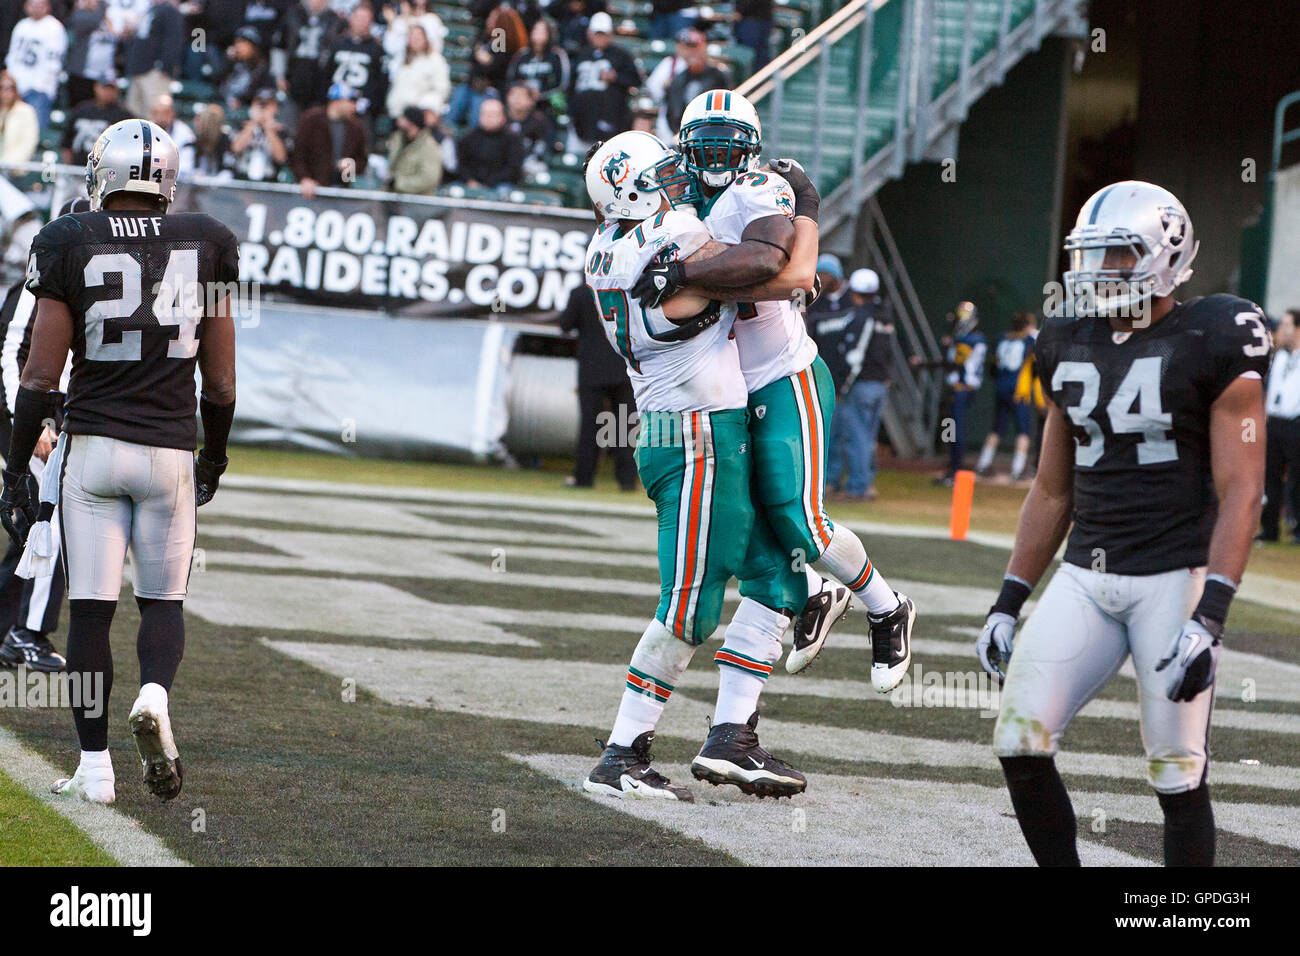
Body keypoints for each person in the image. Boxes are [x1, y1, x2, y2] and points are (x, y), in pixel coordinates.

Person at [976, 180, 1271, 867]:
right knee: (1019, 740)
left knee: (1176, 771)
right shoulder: (1066, 341)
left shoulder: (1216, 332)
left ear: (1165, 256)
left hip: (1175, 576)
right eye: (1092, 256)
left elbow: (1242, 490)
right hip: (1086, 575)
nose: (1100, 272)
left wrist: (1212, 614)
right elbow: (1053, 490)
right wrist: (1009, 599)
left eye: (1118, 255)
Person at [633, 90, 916, 689]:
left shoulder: (757, 190)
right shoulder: (673, 203)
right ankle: (813, 593)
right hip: (724, 395)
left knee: (799, 516)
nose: (712, 156)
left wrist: (685, 275)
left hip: (784, 376)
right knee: (753, 524)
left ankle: (887, 608)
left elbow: (773, 267)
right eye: (702, 144)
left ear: (750, 149)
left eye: (725, 144)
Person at [581, 131, 826, 802]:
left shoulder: (616, 241)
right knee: (690, 608)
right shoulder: (660, 242)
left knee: (779, 580)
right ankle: (621, 753)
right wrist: (803, 208)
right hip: (692, 438)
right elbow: (776, 266)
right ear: (633, 190)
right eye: (663, 172)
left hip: (701, 429)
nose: (679, 178)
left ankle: (734, 739)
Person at [2, 118, 238, 804]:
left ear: (100, 173)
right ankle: (156, 695)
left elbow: (40, 377)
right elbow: (220, 383)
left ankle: (96, 769)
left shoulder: (68, 239)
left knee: (92, 613)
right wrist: (213, 458)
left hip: (95, 450)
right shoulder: (211, 242)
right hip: (168, 449)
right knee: (163, 601)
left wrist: (18, 465)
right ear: (167, 178)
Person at [557, 281, 635, 491]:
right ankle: (627, 481)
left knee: (590, 426)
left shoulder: (581, 293)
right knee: (625, 427)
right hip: (624, 367)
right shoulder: (626, 290)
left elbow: (565, 325)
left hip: (592, 369)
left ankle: (584, 477)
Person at [827, 268, 894, 502]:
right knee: (867, 436)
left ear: (855, 292)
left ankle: (857, 487)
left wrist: (841, 387)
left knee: (855, 437)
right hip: (879, 385)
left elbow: (855, 356)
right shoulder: (884, 316)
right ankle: (866, 481)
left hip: (862, 385)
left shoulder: (863, 317)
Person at [913, 300, 985, 484]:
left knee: (955, 430)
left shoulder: (970, 340)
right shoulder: (967, 339)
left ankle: (956, 470)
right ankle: (952, 467)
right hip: (959, 389)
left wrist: (926, 362)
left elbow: (953, 364)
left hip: (962, 389)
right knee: (951, 428)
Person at [566, 11, 641, 152]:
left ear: (611, 34)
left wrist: (616, 77)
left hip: (612, 119)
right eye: (597, 33)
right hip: (581, 119)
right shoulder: (580, 55)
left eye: (603, 34)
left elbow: (636, 80)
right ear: (589, 33)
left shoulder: (621, 55)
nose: (600, 38)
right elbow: (570, 87)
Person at [977, 310, 1038, 481]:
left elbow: (993, 366)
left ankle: (983, 464)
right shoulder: (1029, 341)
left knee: (996, 428)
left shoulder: (1002, 338)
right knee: (1023, 431)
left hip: (1001, 386)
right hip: (1019, 391)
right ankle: (1017, 470)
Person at [1260, 308, 1300, 543]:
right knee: (1269, 477)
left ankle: (1297, 529)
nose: (1281, 331)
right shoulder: (1278, 356)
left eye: (1286, 326)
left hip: (1295, 425)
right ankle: (1269, 529)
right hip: (1274, 424)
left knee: (1296, 479)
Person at [291, 82, 368, 197]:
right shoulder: (311, 120)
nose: (354, 107)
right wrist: (304, 178)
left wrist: (350, 167)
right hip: (311, 191)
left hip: (342, 192)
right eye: (351, 101)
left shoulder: (356, 127)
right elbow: (297, 154)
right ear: (337, 101)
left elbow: (362, 161)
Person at [325, 2, 388, 140]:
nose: (363, 23)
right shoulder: (337, 44)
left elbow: (381, 84)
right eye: (359, 18)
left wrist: (363, 105)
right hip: (334, 106)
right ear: (351, 19)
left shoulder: (377, 49)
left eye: (367, 19)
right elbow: (325, 75)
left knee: (357, 153)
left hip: (361, 110)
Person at [4, 0, 67, 130]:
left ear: (47, 7)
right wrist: (12, 83)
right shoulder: (22, 25)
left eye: (40, 6)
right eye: (33, 5)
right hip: (16, 88)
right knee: (11, 128)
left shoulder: (54, 27)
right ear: (26, 7)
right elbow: (12, 56)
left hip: (39, 90)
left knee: (34, 129)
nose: (36, 9)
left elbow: (54, 63)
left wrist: (39, 86)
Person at [282, 0, 346, 126]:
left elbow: (337, 52)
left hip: (321, 80)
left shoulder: (335, 20)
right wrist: (279, 75)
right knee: (291, 125)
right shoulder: (293, 14)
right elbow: (280, 46)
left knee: (315, 126)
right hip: (295, 77)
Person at [123, 0, 185, 119]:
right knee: (132, 116)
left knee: (156, 115)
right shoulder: (150, 10)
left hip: (154, 71)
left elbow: (174, 40)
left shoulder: (169, 10)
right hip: (138, 69)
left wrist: (165, 67)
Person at [663, 28, 731, 136]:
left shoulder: (719, 75)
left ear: (704, 48)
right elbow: (672, 113)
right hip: (685, 137)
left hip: (716, 134)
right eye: (688, 48)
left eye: (696, 47)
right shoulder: (678, 79)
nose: (692, 53)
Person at [455, 96, 523, 190]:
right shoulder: (468, 138)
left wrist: (490, 183)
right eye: (485, 114)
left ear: (503, 117)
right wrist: (470, 181)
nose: (488, 117)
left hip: (500, 184)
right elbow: (461, 165)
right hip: (471, 183)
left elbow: (513, 168)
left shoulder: (513, 140)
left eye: (493, 114)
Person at [61, 76, 132, 166]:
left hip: (104, 172)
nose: (108, 92)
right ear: (96, 88)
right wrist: (68, 166)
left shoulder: (124, 116)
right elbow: (66, 142)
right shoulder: (82, 110)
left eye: (111, 89)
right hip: (76, 168)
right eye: (105, 88)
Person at [385, 23, 449, 120]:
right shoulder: (402, 60)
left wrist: (423, 109)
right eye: (411, 36)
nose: (415, 40)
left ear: (425, 38)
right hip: (397, 115)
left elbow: (441, 90)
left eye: (418, 36)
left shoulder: (435, 60)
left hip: (420, 116)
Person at [64, 0, 119, 109]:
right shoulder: (81, 14)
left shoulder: (112, 18)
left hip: (105, 75)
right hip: (82, 75)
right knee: (80, 109)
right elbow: (92, 21)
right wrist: (103, 5)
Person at [229, 87, 289, 182]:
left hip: (269, 183)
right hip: (242, 179)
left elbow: (281, 158)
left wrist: (269, 129)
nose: (263, 108)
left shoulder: (281, 131)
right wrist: (253, 123)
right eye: (259, 104)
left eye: (268, 105)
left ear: (275, 108)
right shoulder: (241, 126)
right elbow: (236, 148)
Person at [506, 16, 569, 98]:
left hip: (548, 102)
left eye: (542, 32)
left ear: (549, 34)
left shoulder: (557, 55)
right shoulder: (521, 55)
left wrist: (540, 95)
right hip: (522, 100)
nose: (538, 36)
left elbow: (563, 85)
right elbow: (511, 81)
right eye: (536, 30)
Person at [384, 105, 441, 195]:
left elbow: (429, 179)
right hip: (392, 197)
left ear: (411, 122)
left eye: (403, 118)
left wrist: (399, 184)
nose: (399, 120)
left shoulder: (429, 147)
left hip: (416, 202)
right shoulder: (397, 139)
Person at [219, 25, 274, 111]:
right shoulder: (234, 65)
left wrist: (241, 102)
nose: (238, 47)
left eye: (243, 43)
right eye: (236, 43)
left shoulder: (263, 70)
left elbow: (262, 98)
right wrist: (228, 62)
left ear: (254, 47)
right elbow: (220, 86)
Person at [149, 93, 196, 176]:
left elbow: (186, 168)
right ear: (152, 113)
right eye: (157, 112)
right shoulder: (144, 130)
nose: (161, 116)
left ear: (172, 113)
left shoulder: (185, 134)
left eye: (166, 112)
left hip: (175, 182)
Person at [0, 70, 38, 164]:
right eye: (1, 87)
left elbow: (28, 144)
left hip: (14, 170)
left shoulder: (26, 111)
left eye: (9, 88)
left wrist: (6, 163)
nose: (5, 92)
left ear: (15, 90)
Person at [733, 0, 773, 72]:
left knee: (753, 55)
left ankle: (759, 80)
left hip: (754, 19)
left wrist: (739, 10)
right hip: (754, 18)